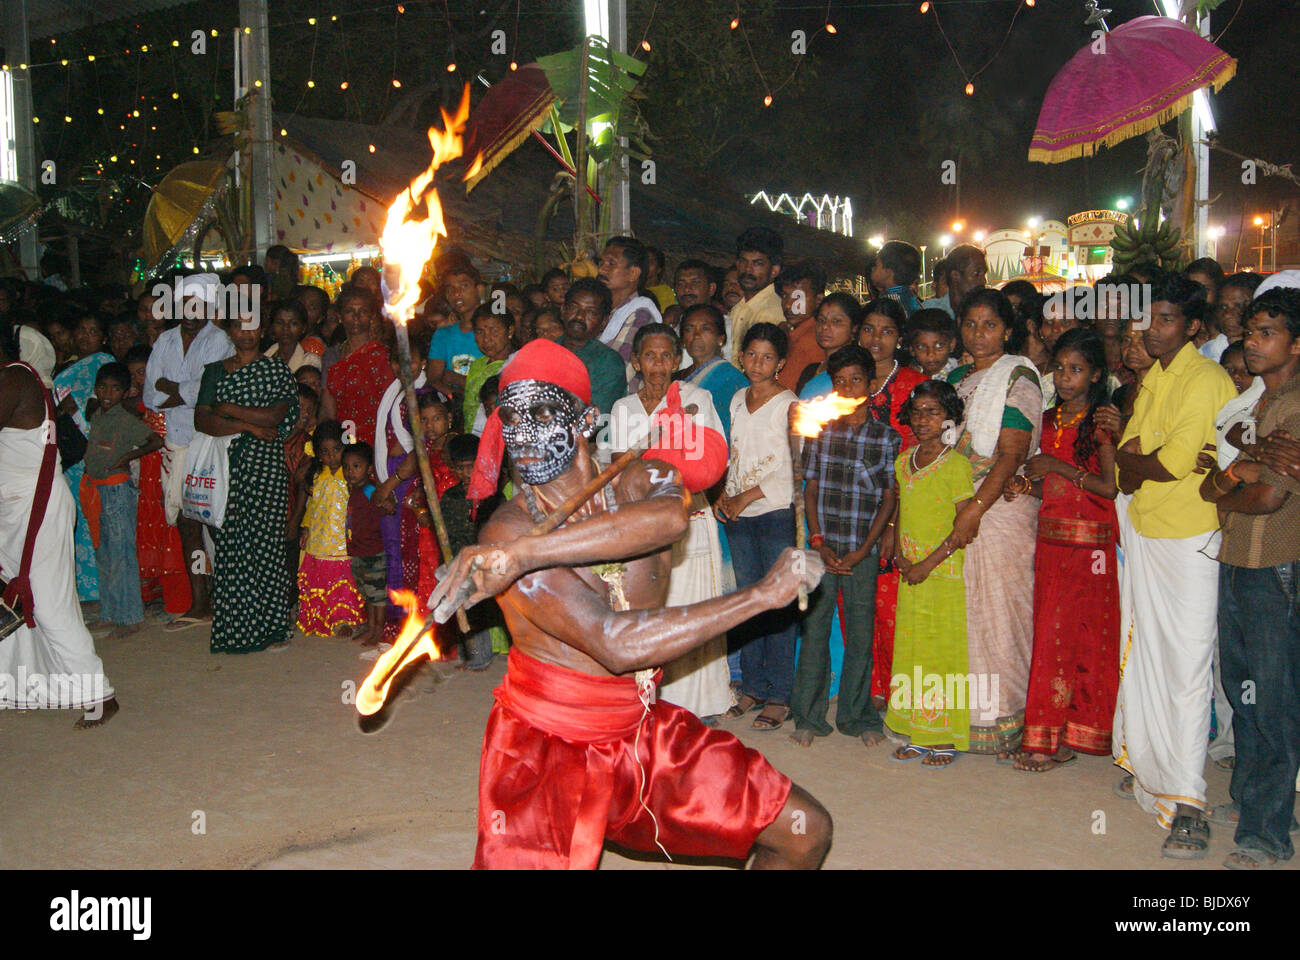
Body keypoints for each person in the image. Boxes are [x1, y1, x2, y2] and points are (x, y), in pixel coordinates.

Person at [427, 337, 828, 869]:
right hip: (546, 750)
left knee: (806, 831)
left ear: (585, 420)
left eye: (542, 412)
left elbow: (669, 520)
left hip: (638, 730)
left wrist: (526, 555)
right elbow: (615, 644)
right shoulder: (506, 528)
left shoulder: (646, 479)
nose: (523, 435)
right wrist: (758, 596)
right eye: (512, 418)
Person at [1111, 272, 1237, 858]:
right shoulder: (1154, 378)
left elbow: (1172, 461)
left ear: (1192, 327)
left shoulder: (1205, 378)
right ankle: (1153, 766)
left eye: (1165, 320)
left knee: (1186, 667)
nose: (1152, 330)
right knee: (1145, 657)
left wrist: (1142, 463)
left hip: (1189, 536)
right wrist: (1141, 463)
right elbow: (1123, 462)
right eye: (1149, 318)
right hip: (1146, 527)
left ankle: (1188, 801)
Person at [1198, 288, 1300, 869]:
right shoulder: (1263, 403)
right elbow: (1220, 483)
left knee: (1272, 697)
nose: (1253, 342)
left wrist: (1232, 480)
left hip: (1274, 566)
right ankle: (1257, 802)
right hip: (1239, 561)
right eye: (1251, 331)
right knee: (1243, 689)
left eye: (1267, 333)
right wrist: (1235, 476)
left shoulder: (1293, 406)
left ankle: (1267, 835)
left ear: (1296, 343)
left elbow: (1263, 497)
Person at [609, 324, 732, 720]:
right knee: (651, 610)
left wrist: (665, 457)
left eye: (666, 356)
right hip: (643, 525)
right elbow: (617, 467)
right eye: (649, 356)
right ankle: (652, 704)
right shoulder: (623, 408)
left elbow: (710, 461)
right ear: (636, 361)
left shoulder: (697, 400)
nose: (658, 364)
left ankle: (700, 705)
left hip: (689, 518)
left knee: (691, 610)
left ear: (677, 361)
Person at [1009, 329, 1119, 771]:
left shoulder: (1101, 423)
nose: (1065, 378)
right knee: (1051, 636)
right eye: (1059, 369)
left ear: (1094, 374)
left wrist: (1057, 467)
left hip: (1090, 547)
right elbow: (1046, 486)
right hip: (1051, 542)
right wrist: (1025, 486)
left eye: (1076, 370)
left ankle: (1052, 738)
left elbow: (1108, 487)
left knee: (1082, 641)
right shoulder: (1049, 420)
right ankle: (1051, 734)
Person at [0, 333, 118, 727]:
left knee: (49, 603)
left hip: (36, 510)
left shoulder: (15, 378)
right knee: (12, 601)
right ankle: (18, 686)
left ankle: (99, 693)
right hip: (17, 510)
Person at [946, 288, 1043, 758]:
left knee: (1001, 613)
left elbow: (1011, 453)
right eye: (970, 324)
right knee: (961, 614)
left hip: (998, 508)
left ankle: (1003, 721)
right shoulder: (956, 376)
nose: (979, 334)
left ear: (1007, 329)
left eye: (989, 325)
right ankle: (963, 717)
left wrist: (974, 510)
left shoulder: (1019, 376)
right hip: (957, 504)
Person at [792, 344, 900, 748]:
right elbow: (813, 487)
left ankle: (857, 716)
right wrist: (817, 541)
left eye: (857, 380)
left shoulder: (887, 437)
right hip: (823, 547)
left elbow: (889, 497)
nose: (849, 387)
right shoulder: (821, 432)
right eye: (840, 381)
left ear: (872, 386)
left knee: (859, 634)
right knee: (815, 631)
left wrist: (863, 549)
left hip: (862, 551)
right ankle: (808, 716)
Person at [194, 314, 299, 654]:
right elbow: (203, 420)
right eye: (240, 327)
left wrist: (229, 409)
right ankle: (235, 633)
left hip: (266, 470)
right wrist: (249, 427)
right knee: (231, 548)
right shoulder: (214, 371)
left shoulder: (276, 370)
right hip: (227, 468)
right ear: (230, 331)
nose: (247, 333)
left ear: (262, 329)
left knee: (267, 548)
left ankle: (271, 629)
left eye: (254, 326)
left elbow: (276, 416)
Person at [718, 323, 800, 731]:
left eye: (767, 357)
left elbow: (789, 466)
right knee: (750, 602)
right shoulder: (736, 399)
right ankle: (751, 686)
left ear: (781, 363)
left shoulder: (788, 404)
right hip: (738, 515)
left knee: (778, 604)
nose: (757, 363)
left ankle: (780, 695)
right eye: (751, 354)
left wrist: (744, 496)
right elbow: (734, 453)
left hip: (773, 513)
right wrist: (722, 492)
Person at [886, 379, 973, 765]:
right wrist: (901, 552)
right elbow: (904, 506)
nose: (923, 420)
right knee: (912, 650)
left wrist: (928, 562)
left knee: (941, 652)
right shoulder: (904, 461)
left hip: (942, 572)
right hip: (911, 569)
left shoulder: (957, 465)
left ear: (949, 419)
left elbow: (966, 527)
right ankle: (918, 732)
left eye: (933, 412)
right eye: (917, 412)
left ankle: (944, 739)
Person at [144, 274, 235, 630]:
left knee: (215, 521)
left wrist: (175, 388)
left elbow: (210, 389)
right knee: (187, 524)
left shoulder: (219, 341)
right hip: (177, 441)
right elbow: (151, 395)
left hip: (208, 441)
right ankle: (201, 602)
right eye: (185, 304)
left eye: (199, 305)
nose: (191, 311)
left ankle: (225, 597)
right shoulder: (165, 340)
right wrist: (184, 390)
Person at [858, 298, 927, 707]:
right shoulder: (847, 382)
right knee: (858, 608)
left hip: (901, 511)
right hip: (851, 511)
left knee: (892, 608)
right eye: (868, 329)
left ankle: (901, 695)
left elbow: (919, 458)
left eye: (886, 331)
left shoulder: (915, 385)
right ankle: (870, 691)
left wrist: (892, 522)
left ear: (899, 338)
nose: (876, 339)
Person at [80, 362, 162, 639]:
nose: (108, 393)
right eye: (103, 387)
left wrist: (127, 458)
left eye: (115, 388)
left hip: (116, 491)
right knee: (104, 554)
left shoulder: (124, 419)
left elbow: (155, 441)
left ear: (125, 392)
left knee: (122, 555)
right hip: (97, 490)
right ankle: (109, 614)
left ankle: (130, 617)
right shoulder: (99, 416)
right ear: (96, 388)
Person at [54, 314, 116, 604]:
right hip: (68, 456)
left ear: (103, 337)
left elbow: (103, 409)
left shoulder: (103, 364)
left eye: (93, 331)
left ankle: (102, 589)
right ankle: (81, 588)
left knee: (96, 520)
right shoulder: (67, 366)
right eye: (80, 329)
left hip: (92, 451)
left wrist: (74, 409)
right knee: (75, 522)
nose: (85, 336)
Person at [296, 420, 366, 637]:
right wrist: (306, 527)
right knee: (320, 578)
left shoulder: (351, 475)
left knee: (344, 579)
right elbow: (313, 505)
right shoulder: (317, 476)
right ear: (317, 454)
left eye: (336, 450)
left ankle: (344, 619)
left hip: (344, 539)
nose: (332, 457)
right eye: (325, 452)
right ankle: (320, 617)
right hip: (319, 538)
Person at [320, 289, 391, 448]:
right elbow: (328, 403)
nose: (356, 317)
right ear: (339, 316)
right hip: (344, 434)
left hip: (380, 436)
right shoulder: (331, 355)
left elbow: (391, 403)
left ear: (372, 316)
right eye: (349, 311)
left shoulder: (383, 355)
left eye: (363, 311)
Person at [675, 303, 748, 438]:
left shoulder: (731, 379)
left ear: (720, 338)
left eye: (705, 329)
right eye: (689, 329)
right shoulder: (677, 377)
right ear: (683, 340)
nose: (696, 335)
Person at [596, 236, 662, 383]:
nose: (601, 269)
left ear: (633, 274)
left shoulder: (641, 315)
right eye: (601, 263)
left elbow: (618, 374)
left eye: (611, 263)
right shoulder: (603, 311)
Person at [342, 442, 388, 651]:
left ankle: (379, 630)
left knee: (377, 595)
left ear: (369, 468)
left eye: (356, 466)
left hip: (373, 552)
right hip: (359, 551)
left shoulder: (369, 489)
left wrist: (386, 501)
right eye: (347, 467)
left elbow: (387, 504)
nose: (350, 472)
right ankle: (371, 626)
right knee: (368, 593)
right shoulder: (356, 490)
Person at [559, 278, 627, 417]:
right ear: (563, 310)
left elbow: (593, 418)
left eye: (591, 312)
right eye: (574, 307)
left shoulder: (608, 363)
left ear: (603, 322)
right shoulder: (542, 352)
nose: (579, 316)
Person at [424, 258, 484, 400]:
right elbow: (434, 379)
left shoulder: (492, 331)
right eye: (450, 289)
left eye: (464, 286)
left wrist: (457, 380)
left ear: (479, 290)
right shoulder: (442, 335)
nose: (456, 293)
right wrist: (456, 395)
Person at [727, 226, 785, 367]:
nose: (748, 269)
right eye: (744, 261)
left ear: (774, 271)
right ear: (737, 264)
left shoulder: (770, 313)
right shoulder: (739, 307)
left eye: (757, 263)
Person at [797, 292, 861, 400]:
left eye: (836, 321)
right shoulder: (811, 371)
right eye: (821, 320)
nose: (825, 327)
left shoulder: (856, 371)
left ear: (854, 327)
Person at [775, 260, 826, 393]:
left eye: (798, 297)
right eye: (785, 296)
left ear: (818, 300)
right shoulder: (793, 334)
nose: (787, 305)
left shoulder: (812, 341)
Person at [1202, 272, 1264, 363]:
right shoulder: (1206, 354)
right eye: (1223, 307)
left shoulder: (1266, 355)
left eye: (1238, 306)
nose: (1227, 314)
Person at [921, 245, 987, 319]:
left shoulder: (988, 311)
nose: (984, 281)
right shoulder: (931, 311)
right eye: (976, 274)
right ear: (955, 276)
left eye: (984, 274)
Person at [264, 299, 322, 374]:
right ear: (272, 326)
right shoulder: (265, 357)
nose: (285, 328)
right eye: (279, 322)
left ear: (303, 328)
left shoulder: (310, 360)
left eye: (293, 323)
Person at [870, 241, 923, 316]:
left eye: (876, 265)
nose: (872, 269)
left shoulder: (887, 304)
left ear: (888, 271)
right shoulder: (913, 300)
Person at [906, 308, 959, 380]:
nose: (931, 354)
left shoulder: (961, 374)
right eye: (922, 347)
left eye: (939, 346)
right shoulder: (910, 377)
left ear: (952, 345)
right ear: (912, 350)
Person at [644, 245, 677, 310]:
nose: (645, 265)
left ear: (659, 269)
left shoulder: (665, 292)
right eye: (643, 262)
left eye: (650, 262)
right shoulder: (633, 290)